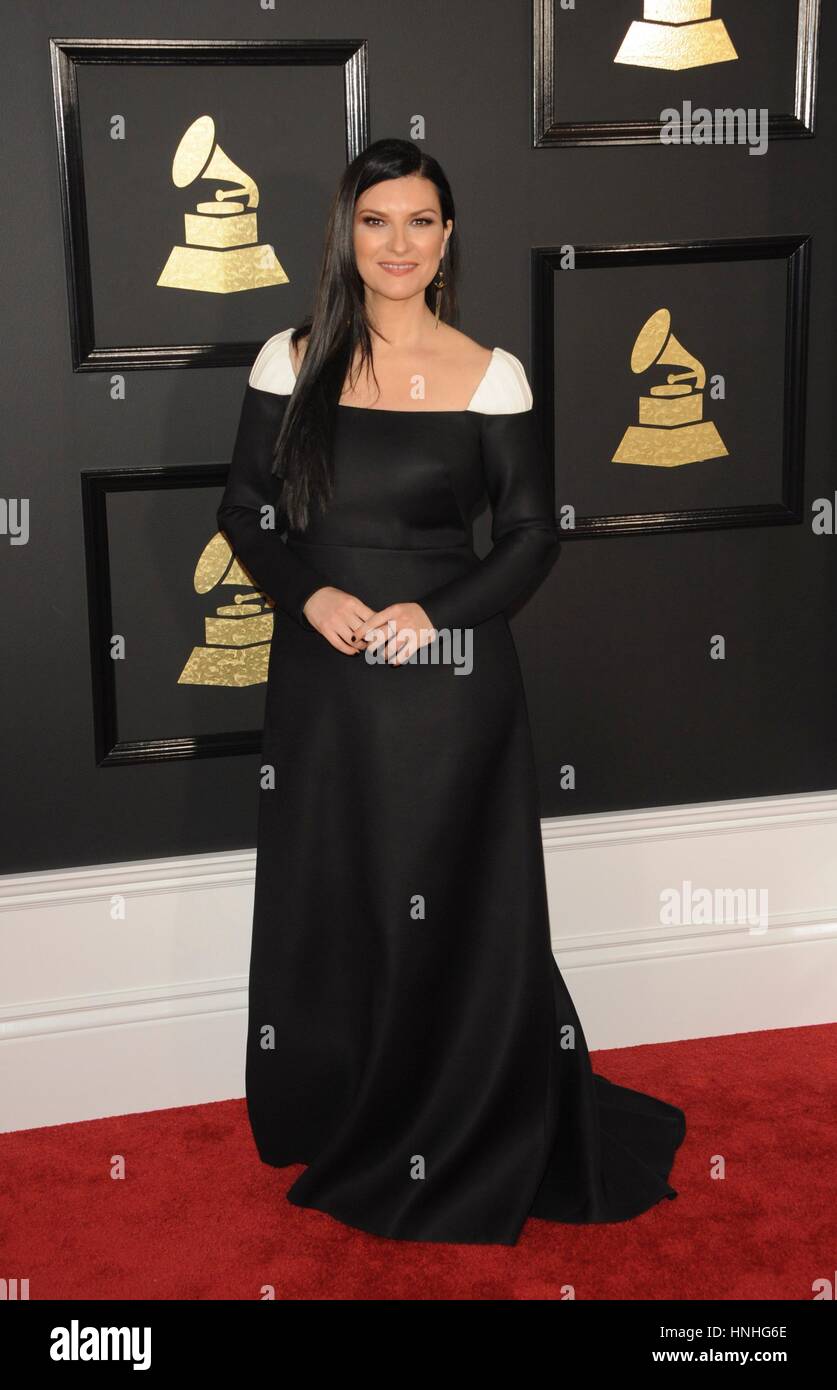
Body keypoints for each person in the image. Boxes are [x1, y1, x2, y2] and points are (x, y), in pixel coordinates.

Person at [217, 137, 685, 1245]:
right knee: (341, 897)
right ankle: (344, 1105)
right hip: (324, 686)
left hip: (452, 684)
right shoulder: (289, 361)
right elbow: (244, 513)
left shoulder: (493, 373)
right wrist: (312, 596)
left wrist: (435, 616)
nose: (397, 244)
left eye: (419, 221)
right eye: (376, 221)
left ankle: (462, 1114)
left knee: (452, 898)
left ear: (447, 236)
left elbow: (529, 539)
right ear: (348, 234)